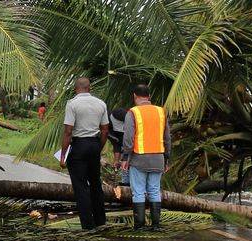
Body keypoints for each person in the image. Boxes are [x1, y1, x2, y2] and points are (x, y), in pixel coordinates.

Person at [59, 77, 109, 230]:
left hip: (78, 145)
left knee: (81, 187)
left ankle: (87, 225)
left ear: (75, 88)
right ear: (90, 88)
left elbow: (68, 131)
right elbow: (105, 130)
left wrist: (63, 155)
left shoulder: (72, 104)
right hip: (94, 144)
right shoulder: (101, 104)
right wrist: (98, 148)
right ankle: (101, 221)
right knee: (95, 184)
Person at [121, 84, 171, 229]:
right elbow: (167, 138)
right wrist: (166, 158)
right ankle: (156, 226)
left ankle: (140, 226)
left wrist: (125, 157)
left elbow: (128, 138)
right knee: (155, 191)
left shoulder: (133, 112)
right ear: (149, 96)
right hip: (158, 158)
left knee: (138, 192)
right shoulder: (161, 112)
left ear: (135, 96)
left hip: (139, 159)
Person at [107, 107, 129, 186]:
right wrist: (116, 160)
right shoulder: (107, 131)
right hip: (126, 153)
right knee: (125, 175)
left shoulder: (116, 113)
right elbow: (116, 145)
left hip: (136, 149)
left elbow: (133, 119)